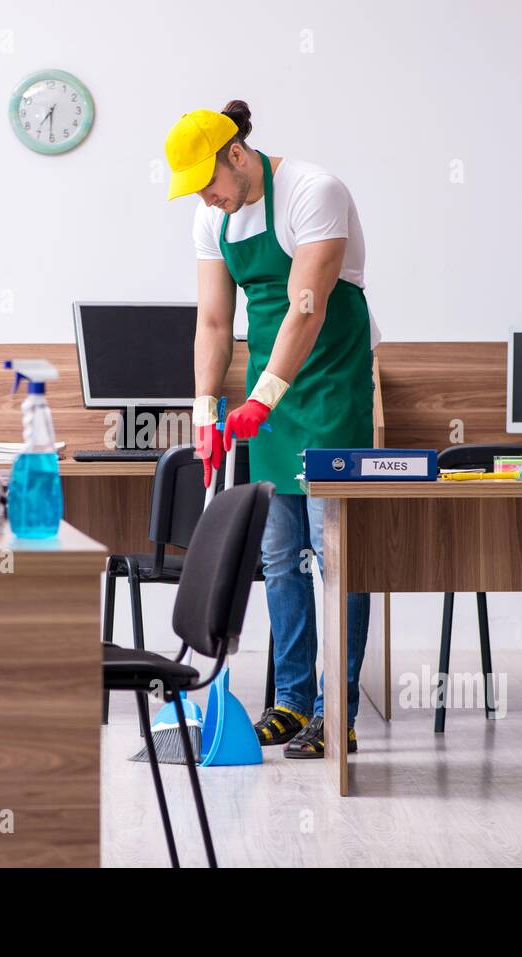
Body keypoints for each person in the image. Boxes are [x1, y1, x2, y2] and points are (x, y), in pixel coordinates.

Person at [164, 100, 381, 757]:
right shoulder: (215, 218)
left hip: (332, 387)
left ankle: (335, 710)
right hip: (272, 395)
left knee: (334, 555)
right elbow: (212, 323)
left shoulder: (315, 191)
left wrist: (258, 403)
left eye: (210, 181)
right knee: (280, 558)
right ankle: (291, 701)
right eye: (197, 189)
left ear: (237, 154)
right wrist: (207, 410)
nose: (207, 196)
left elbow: (306, 309)